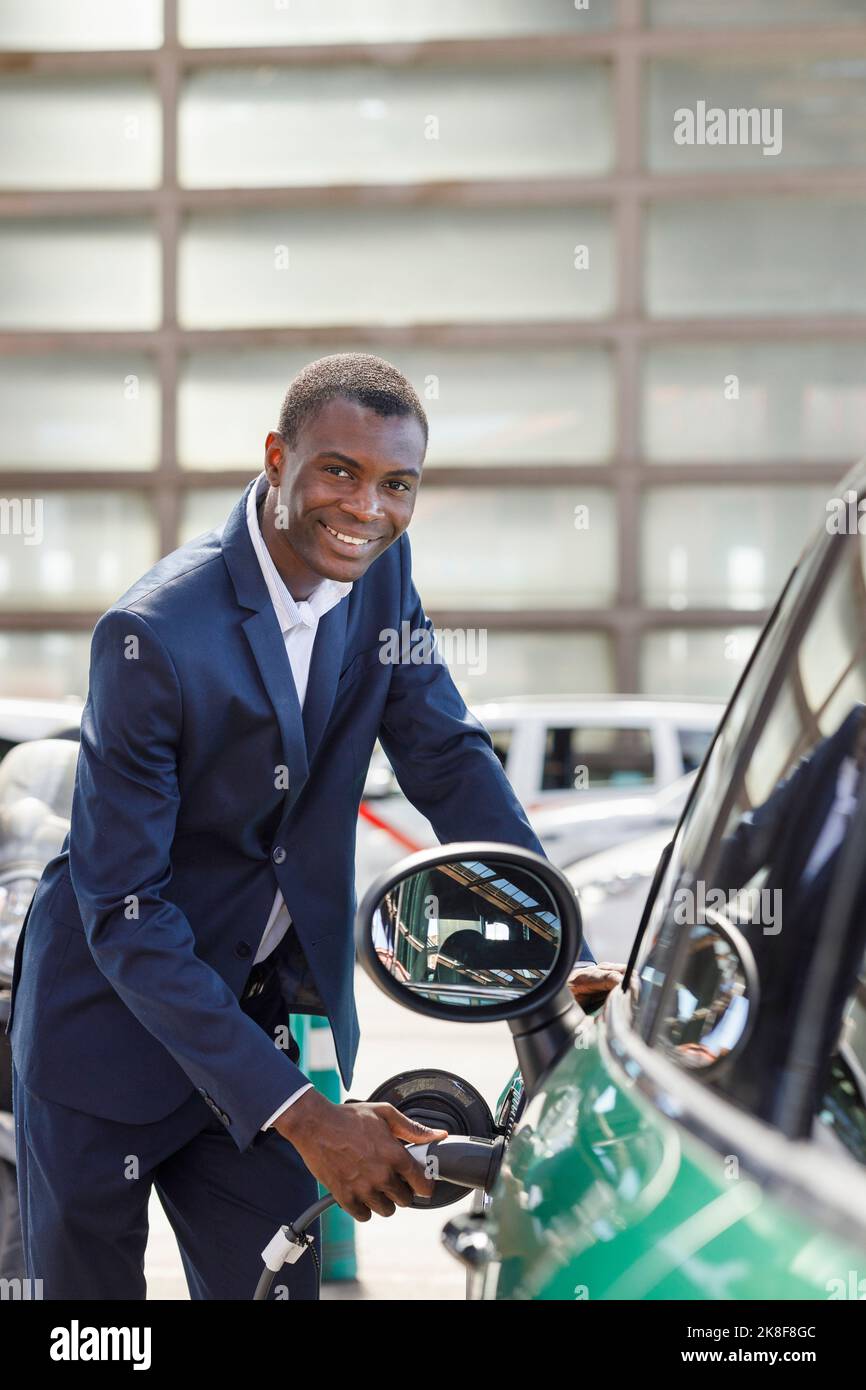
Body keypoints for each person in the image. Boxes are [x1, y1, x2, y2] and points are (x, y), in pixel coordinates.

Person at [7, 353, 609, 1300]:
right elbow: (124, 908)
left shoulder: (380, 567)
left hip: (270, 1020)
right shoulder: (153, 635)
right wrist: (306, 1115)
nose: (367, 507)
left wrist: (549, 934)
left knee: (274, 1292)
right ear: (277, 458)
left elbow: (445, 754)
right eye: (339, 471)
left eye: (395, 484)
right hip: (107, 1033)